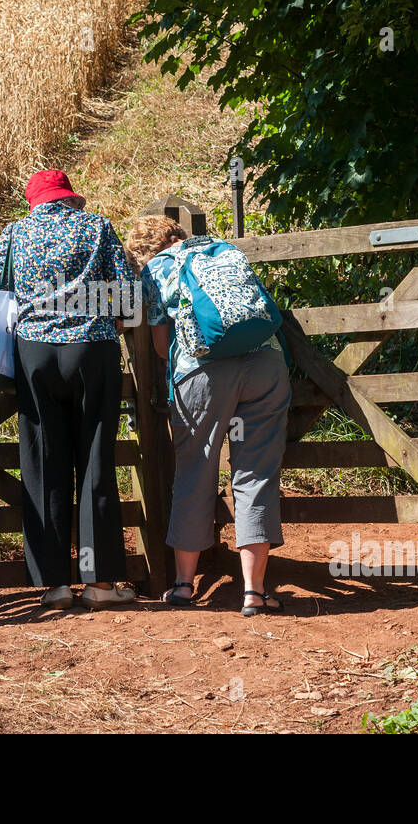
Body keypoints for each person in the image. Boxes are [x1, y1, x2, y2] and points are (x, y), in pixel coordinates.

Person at [0, 170, 138, 611]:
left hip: (35, 352)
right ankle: (98, 584)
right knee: (95, 460)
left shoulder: (16, 232)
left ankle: (54, 584)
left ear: (34, 202)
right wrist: (103, 312)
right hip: (90, 350)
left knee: (44, 461)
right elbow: (128, 297)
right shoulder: (96, 225)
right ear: (71, 199)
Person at [125, 215, 290, 616]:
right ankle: (254, 592)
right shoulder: (224, 249)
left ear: (140, 254)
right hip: (266, 364)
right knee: (256, 474)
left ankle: (183, 585)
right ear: (176, 233)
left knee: (195, 471)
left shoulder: (155, 271)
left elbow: (164, 348)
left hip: (201, 373)